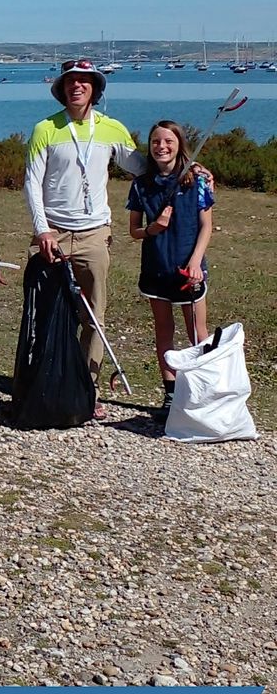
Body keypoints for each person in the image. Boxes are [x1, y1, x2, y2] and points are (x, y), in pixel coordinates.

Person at [23, 58, 145, 419]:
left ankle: (87, 391)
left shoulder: (111, 128)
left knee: (93, 316)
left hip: (94, 234)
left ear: (95, 89)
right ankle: (42, 385)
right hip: (53, 234)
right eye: (70, 81)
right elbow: (32, 183)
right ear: (62, 89)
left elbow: (141, 167)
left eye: (84, 82)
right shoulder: (45, 129)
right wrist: (42, 230)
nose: (77, 86)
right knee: (44, 313)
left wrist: (186, 169)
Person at [128, 120, 215, 427]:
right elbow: (134, 231)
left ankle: (204, 392)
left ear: (179, 145)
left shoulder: (197, 180)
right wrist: (154, 228)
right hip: (156, 268)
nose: (161, 147)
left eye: (168, 141)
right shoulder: (141, 184)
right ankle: (170, 393)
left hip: (189, 271)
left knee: (197, 333)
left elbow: (206, 226)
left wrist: (196, 262)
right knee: (164, 329)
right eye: (155, 141)